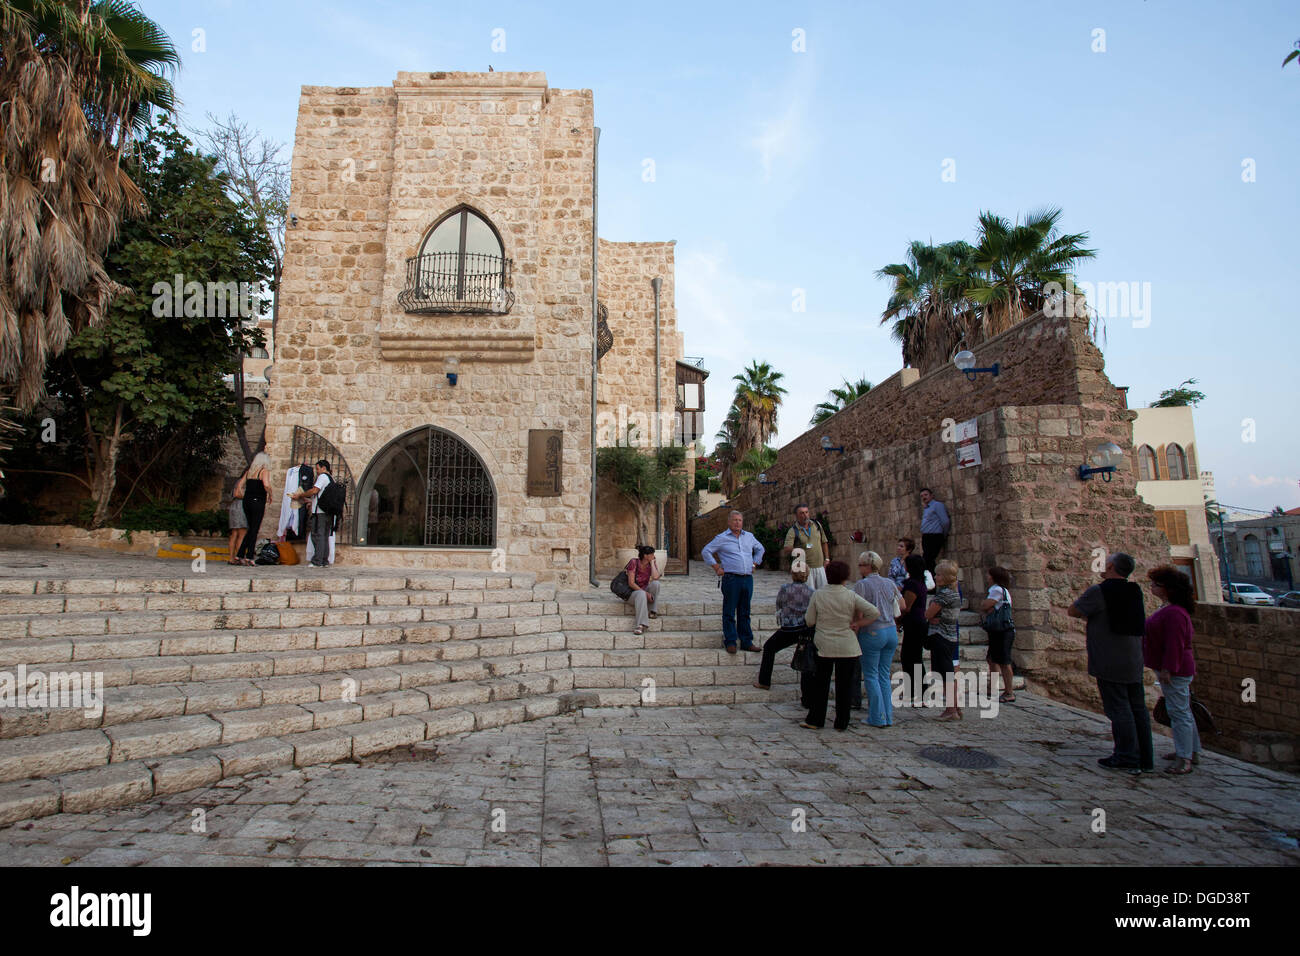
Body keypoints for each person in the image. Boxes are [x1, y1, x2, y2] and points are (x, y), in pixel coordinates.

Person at [1068, 552, 1153, 774]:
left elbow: (1074, 610)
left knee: (1118, 707)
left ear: (1113, 566)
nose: (1103, 566)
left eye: (1107, 563)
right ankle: (1146, 756)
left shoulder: (1100, 590)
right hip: (1133, 658)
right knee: (1138, 707)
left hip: (1109, 657)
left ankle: (1126, 755)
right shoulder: (1135, 590)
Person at [802, 560, 878, 730]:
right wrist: (859, 623)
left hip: (824, 645)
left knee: (821, 684)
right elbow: (874, 612)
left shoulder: (818, 595)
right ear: (845, 577)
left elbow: (809, 620)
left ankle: (816, 719)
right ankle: (842, 722)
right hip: (847, 645)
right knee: (845, 686)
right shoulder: (850, 595)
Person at [1144, 565, 1201, 775]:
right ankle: (1191, 751)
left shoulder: (1175, 613)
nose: (1151, 587)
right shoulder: (1170, 609)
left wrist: (1169, 668)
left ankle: (1184, 757)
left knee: (1179, 713)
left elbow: (1175, 643)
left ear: (1166, 588)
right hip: (1172, 668)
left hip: (1175, 669)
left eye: (1155, 584)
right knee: (1183, 710)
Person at [701, 510, 765, 654]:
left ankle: (746, 641)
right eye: (735, 520)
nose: (737, 523)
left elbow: (760, 549)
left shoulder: (749, 536)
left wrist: (755, 563)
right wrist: (716, 567)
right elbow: (706, 551)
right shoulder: (722, 538)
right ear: (729, 522)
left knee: (745, 611)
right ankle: (730, 641)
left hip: (747, 578)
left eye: (740, 520)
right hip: (731, 579)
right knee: (729, 611)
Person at [754, 567, 815, 707]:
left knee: (769, 647)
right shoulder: (812, 592)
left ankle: (764, 681)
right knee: (806, 660)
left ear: (792, 574)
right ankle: (807, 697)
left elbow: (779, 604)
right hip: (804, 628)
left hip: (788, 628)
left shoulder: (785, 588)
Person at [853, 551, 902, 728]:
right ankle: (887, 715)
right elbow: (901, 605)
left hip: (873, 631)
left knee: (871, 675)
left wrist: (857, 625)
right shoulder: (890, 583)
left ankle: (877, 716)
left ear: (867, 566)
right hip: (891, 631)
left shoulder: (862, 585)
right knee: (883, 674)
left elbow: (858, 611)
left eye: (860, 565)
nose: (859, 568)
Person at [925, 560, 962, 720]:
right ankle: (955, 707)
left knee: (946, 674)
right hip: (949, 635)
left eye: (939, 574)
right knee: (946, 673)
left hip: (941, 636)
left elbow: (928, 614)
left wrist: (930, 616)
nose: (935, 576)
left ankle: (951, 709)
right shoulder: (953, 593)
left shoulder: (944, 595)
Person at [979, 566, 1016, 704]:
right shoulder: (1004, 591)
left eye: (989, 575)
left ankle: (1009, 691)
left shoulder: (996, 590)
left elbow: (985, 605)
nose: (987, 577)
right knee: (993, 659)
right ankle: (993, 688)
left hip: (1002, 631)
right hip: (1000, 630)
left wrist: (984, 605)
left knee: (1004, 661)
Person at [898, 553, 929, 706]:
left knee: (911, 657)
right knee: (913, 657)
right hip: (919, 622)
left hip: (914, 623)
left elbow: (907, 607)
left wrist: (897, 619)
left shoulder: (911, 584)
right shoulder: (920, 582)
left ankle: (919, 693)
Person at [293, 459, 335, 568]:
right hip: (328, 512)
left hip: (320, 512)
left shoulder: (322, 477)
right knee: (324, 536)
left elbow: (314, 490)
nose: (317, 471)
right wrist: (310, 501)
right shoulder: (331, 479)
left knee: (318, 535)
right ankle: (324, 560)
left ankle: (317, 561)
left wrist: (301, 495)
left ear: (323, 468)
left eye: (317, 469)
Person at [234, 451, 272, 566]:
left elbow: (239, 486)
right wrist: (270, 493)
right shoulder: (263, 471)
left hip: (247, 501)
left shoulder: (249, 472)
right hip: (257, 501)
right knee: (254, 529)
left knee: (251, 528)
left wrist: (244, 495)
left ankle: (240, 554)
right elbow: (266, 484)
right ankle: (249, 556)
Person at [782, 504, 830, 590]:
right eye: (802, 513)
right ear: (796, 516)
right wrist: (799, 549)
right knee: (808, 596)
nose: (805, 515)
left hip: (819, 566)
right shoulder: (793, 531)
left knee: (822, 593)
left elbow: (824, 541)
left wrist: (827, 559)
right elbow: (786, 548)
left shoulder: (816, 525)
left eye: (806, 512)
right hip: (804, 569)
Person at [624, 545, 662, 636]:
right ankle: (640, 625)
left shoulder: (650, 563)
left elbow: (656, 577)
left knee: (656, 584)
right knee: (641, 593)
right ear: (645, 555)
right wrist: (645, 594)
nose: (654, 556)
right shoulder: (633, 562)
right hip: (632, 593)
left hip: (643, 591)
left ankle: (652, 611)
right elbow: (631, 583)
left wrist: (652, 563)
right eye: (652, 554)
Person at [919, 487, 951, 573]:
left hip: (934, 536)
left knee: (928, 559)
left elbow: (945, 521)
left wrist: (943, 534)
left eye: (926, 495)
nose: (924, 497)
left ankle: (932, 580)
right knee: (927, 560)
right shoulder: (926, 508)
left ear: (931, 495)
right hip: (926, 536)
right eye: (922, 496)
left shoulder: (937, 505)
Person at [227, 480, 248, 566]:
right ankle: (240, 557)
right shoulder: (243, 482)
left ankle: (232, 558)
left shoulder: (237, 481)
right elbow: (236, 494)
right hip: (240, 507)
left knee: (234, 534)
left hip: (234, 506)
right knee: (241, 534)